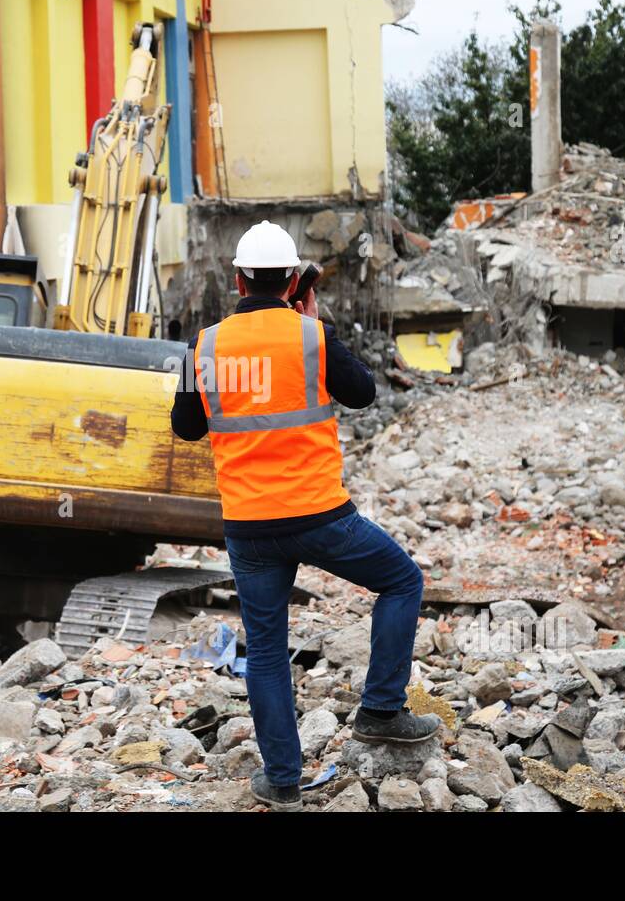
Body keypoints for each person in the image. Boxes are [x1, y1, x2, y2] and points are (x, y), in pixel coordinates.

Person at [171, 220, 437, 811]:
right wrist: (313, 324)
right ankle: (379, 710)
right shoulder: (312, 335)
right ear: (294, 280)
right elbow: (364, 392)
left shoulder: (202, 346)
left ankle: (284, 782)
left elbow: (186, 427)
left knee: (266, 649)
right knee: (401, 581)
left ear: (237, 279)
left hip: (249, 527)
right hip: (321, 517)